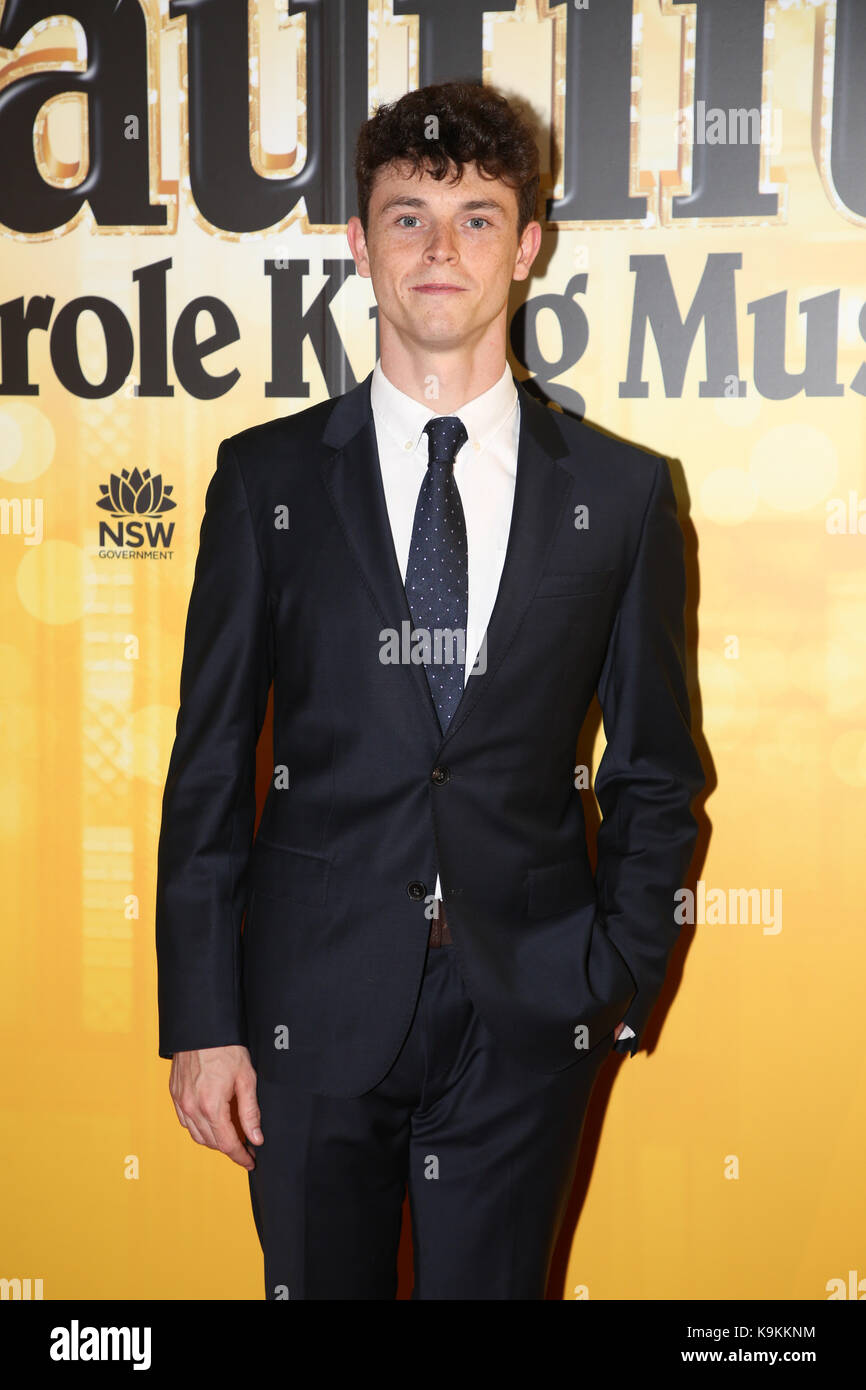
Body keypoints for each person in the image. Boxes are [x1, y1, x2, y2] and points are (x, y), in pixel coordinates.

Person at [156, 80, 705, 1300]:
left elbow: (658, 774)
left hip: (527, 1008)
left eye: (473, 216)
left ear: (528, 244)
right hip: (305, 1005)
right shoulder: (266, 480)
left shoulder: (620, 495)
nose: (439, 247)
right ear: (359, 247)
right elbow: (205, 769)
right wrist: (200, 1015)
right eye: (407, 217)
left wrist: (608, 984)